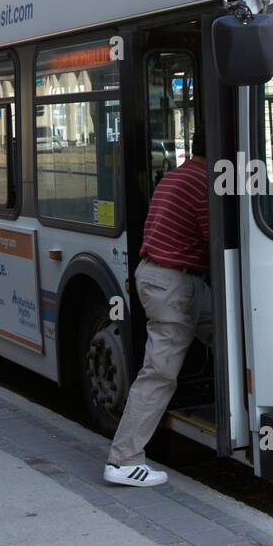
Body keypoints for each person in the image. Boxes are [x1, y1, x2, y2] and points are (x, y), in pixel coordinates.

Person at [104, 130, 212, 487]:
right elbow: (217, 240)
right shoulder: (204, 183)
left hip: (166, 277)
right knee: (160, 373)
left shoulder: (176, 175)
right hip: (174, 283)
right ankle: (123, 460)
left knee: (233, 333)